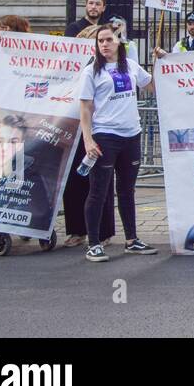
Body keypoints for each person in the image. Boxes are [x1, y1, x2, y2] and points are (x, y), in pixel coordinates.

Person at [78, 24, 160, 262]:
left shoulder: (131, 66)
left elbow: (152, 86)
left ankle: (132, 240)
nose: (104, 45)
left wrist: (159, 63)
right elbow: (85, 107)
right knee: (98, 191)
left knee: (127, 190)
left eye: (108, 40)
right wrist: (88, 139)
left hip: (131, 135)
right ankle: (93, 243)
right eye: (100, 41)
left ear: (118, 42)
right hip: (105, 136)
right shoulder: (91, 72)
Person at [62, 24, 113, 247]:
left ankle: (103, 231)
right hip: (70, 125)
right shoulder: (73, 64)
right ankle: (76, 230)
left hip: (99, 127)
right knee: (74, 179)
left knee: (100, 183)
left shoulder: (108, 66)